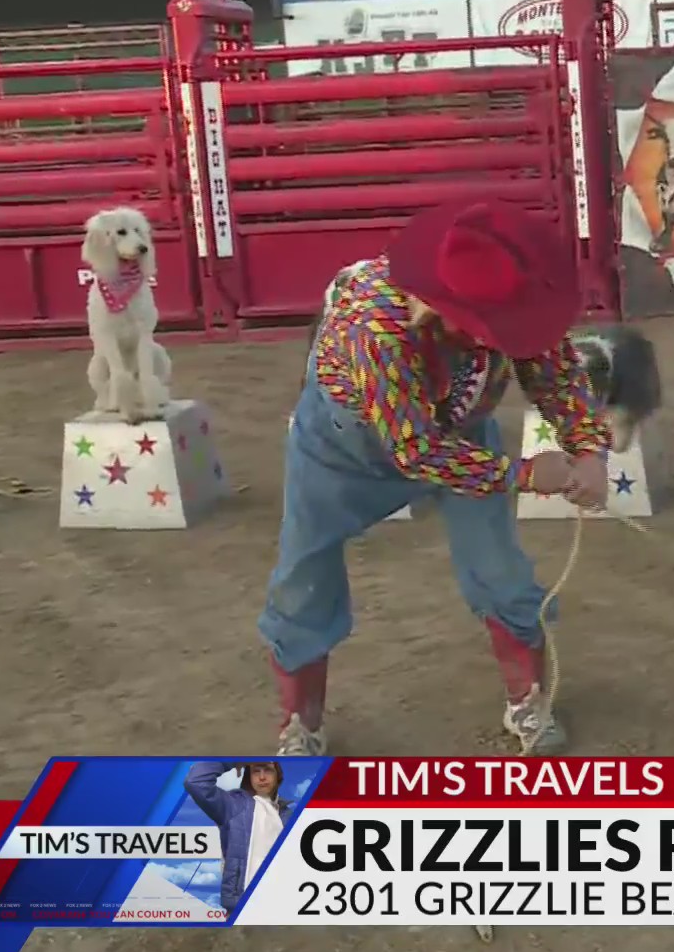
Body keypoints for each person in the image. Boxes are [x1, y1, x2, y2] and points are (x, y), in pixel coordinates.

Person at [259, 198, 611, 757]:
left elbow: (556, 373)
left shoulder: (516, 291)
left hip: (463, 434)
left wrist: (589, 448)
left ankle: (528, 698)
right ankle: (299, 723)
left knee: (501, 570)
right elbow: (416, 448)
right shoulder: (375, 327)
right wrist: (523, 474)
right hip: (338, 449)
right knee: (302, 577)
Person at [184, 761, 291, 913]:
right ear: (249, 776)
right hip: (241, 907)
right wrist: (234, 760)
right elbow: (195, 781)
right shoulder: (233, 805)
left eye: (267, 770)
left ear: (277, 775)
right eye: (256, 771)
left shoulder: (288, 816)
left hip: (281, 907)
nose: (262, 777)